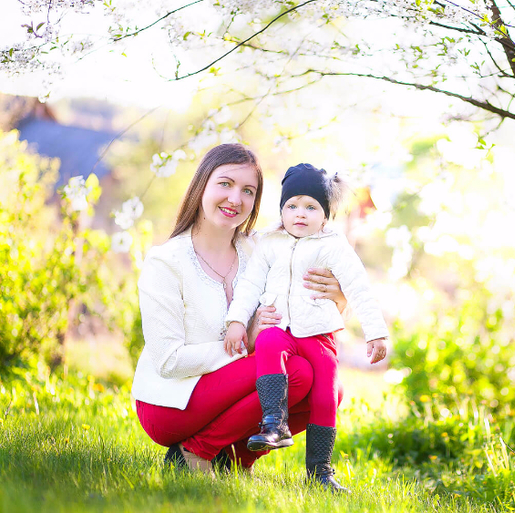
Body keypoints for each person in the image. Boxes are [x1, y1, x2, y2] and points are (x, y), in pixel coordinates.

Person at [131, 144, 347, 473]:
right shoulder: (166, 262)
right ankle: (193, 452)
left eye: (248, 190)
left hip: (233, 390)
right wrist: (246, 343)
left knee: (328, 386)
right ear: (202, 184)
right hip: (170, 402)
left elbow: (311, 313)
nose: (235, 199)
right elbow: (168, 361)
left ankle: (233, 460)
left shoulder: (262, 249)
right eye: (225, 184)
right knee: (296, 373)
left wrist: (338, 298)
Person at [223, 163, 389, 491]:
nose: (300, 213)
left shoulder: (333, 245)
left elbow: (358, 287)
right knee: (268, 342)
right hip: (280, 327)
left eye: (311, 207)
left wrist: (376, 332)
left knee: (326, 397)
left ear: (325, 216)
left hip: (319, 334)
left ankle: (320, 472)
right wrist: (237, 321)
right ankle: (274, 423)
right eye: (292, 206)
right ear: (282, 211)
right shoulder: (270, 242)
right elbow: (250, 285)